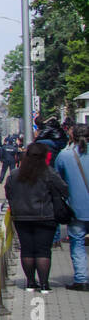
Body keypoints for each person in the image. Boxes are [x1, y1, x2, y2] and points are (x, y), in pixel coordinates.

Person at [6, 143, 71, 293]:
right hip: (46, 217)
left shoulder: (15, 174)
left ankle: (30, 283)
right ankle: (44, 285)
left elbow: (9, 193)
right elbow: (65, 190)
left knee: (27, 249)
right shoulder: (49, 173)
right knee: (43, 250)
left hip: (21, 217)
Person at [55, 124, 89, 291]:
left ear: (72, 136)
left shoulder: (65, 155)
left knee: (77, 243)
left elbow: (58, 180)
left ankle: (81, 280)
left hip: (76, 208)